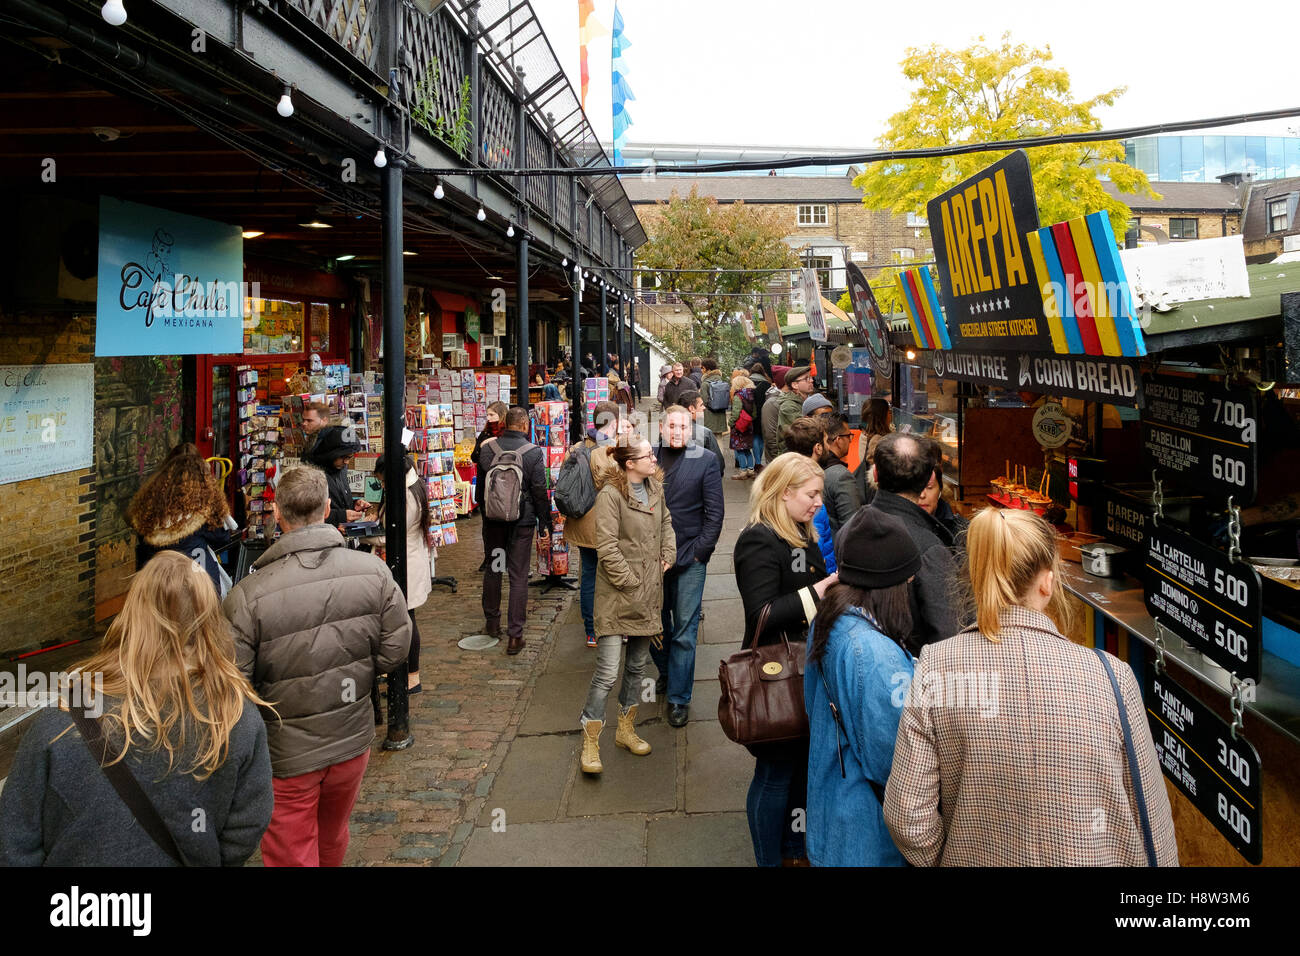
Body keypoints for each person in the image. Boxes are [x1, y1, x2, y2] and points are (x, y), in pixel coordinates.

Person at [884, 508, 1179, 866]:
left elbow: (908, 818)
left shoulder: (936, 668)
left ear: (977, 577)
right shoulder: (1112, 676)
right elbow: (1151, 820)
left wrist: (949, 857)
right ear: (1047, 582)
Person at [0, 551, 273, 866]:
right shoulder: (238, 717)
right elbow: (248, 823)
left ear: (132, 615)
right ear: (209, 620)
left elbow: (15, 839)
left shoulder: (62, 722)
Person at [223, 467, 411, 867]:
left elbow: (232, 680)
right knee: (331, 834)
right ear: (328, 509)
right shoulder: (373, 572)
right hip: (349, 738)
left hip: (287, 751)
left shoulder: (247, 596)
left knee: (293, 848)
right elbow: (398, 643)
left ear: (276, 513)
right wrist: (361, 672)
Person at [732, 452, 837, 866]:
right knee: (775, 775)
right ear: (784, 492)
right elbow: (762, 613)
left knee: (798, 771)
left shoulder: (799, 532)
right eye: (811, 495)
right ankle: (769, 860)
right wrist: (821, 591)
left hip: (802, 669)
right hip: (775, 676)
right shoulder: (758, 538)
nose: (818, 504)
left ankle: (794, 850)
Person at [804, 510, 921, 867]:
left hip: (833, 814)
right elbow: (892, 762)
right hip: (867, 838)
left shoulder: (830, 616)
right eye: (908, 579)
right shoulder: (872, 653)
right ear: (891, 586)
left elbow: (812, 706)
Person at [579, 435, 676, 775]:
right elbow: (606, 547)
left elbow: (665, 523)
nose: (654, 459)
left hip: (649, 594)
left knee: (637, 668)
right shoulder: (609, 496)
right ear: (629, 463)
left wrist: (668, 554)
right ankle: (590, 739)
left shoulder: (654, 489)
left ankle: (625, 730)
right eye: (648, 455)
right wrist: (633, 582)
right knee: (606, 672)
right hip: (619, 597)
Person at [840, 432, 964, 648]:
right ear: (927, 479)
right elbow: (948, 637)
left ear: (875, 475)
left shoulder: (849, 529)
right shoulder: (930, 548)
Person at [650, 405, 725, 727]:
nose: (678, 431)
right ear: (663, 429)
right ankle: (667, 671)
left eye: (684, 426)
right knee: (655, 624)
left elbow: (714, 514)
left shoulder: (704, 461)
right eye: (673, 426)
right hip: (652, 559)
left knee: (684, 630)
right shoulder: (646, 458)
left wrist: (699, 553)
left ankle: (679, 698)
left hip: (689, 556)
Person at [479, 407, 552, 654]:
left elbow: (482, 489)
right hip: (522, 521)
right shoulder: (532, 453)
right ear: (525, 425)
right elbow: (540, 490)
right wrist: (545, 523)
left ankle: (492, 623)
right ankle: (515, 635)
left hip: (494, 522)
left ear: (504, 423)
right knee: (519, 575)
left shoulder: (488, 449)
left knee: (495, 567)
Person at [127, 442, 238, 596]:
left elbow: (141, 537)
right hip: (197, 580)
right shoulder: (203, 505)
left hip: (155, 582)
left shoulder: (148, 504)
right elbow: (222, 538)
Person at [563, 400, 628, 648]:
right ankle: (614, 627)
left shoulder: (576, 449)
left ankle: (591, 631)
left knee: (589, 575)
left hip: (582, 523)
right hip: (610, 525)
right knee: (614, 576)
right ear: (613, 422)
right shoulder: (614, 450)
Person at [373, 453, 432, 694]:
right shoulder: (413, 487)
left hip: (407, 564)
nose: (383, 486)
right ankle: (399, 669)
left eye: (384, 481)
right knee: (402, 618)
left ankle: (412, 677)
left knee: (407, 620)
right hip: (408, 561)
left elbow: (394, 534)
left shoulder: (407, 496)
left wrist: (361, 533)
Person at [306, 423, 368, 527]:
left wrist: (353, 505)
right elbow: (306, 515)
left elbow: (337, 500)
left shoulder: (340, 468)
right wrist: (341, 516)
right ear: (331, 454)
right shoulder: (311, 475)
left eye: (350, 457)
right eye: (344, 457)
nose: (347, 462)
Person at [919, 437, 968, 546]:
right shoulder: (896, 528)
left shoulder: (960, 530)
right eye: (917, 487)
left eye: (929, 487)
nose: (922, 495)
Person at [819, 413, 862, 537]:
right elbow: (852, 527)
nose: (850, 439)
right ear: (838, 440)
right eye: (849, 436)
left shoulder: (814, 464)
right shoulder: (841, 477)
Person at [675, 388, 725, 473]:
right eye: (701, 405)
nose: (704, 408)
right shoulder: (705, 433)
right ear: (691, 408)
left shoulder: (666, 431)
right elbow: (718, 464)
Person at [852, 398, 891, 506]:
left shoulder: (865, 435)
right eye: (889, 412)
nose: (890, 415)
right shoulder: (877, 440)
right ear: (882, 416)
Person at [777, 366, 816, 451]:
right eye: (807, 379)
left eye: (811, 377)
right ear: (795, 385)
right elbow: (806, 431)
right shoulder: (788, 406)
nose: (812, 380)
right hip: (793, 455)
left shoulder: (807, 401)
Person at [728, 374, 758, 479]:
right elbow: (754, 413)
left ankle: (743, 471)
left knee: (739, 449)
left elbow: (736, 412)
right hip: (748, 426)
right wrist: (749, 420)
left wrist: (731, 423)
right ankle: (751, 470)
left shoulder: (738, 396)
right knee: (747, 449)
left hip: (739, 426)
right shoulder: (751, 395)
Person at [762, 366, 790, 460]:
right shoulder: (772, 403)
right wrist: (778, 459)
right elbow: (771, 435)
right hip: (780, 459)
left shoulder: (788, 399)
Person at [747, 363, 772, 470]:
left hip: (750, 413)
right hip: (764, 412)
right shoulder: (766, 384)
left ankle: (756, 461)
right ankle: (758, 462)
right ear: (762, 372)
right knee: (761, 437)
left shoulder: (747, 382)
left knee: (755, 437)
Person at [699, 358, 729, 435]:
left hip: (709, 418)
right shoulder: (721, 381)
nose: (701, 370)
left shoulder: (705, 384)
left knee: (709, 443)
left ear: (706, 369)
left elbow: (704, 402)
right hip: (721, 417)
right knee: (719, 440)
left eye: (702, 368)